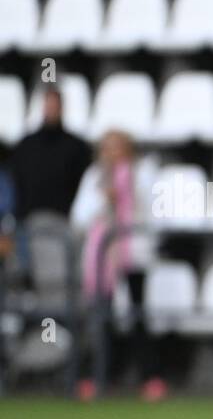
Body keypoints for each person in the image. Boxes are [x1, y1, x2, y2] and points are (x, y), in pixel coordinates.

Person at [70, 129, 164, 401]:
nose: (113, 154)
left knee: (137, 314)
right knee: (102, 317)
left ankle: (150, 376)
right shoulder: (93, 177)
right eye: (108, 148)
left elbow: (150, 210)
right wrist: (103, 199)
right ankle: (99, 376)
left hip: (132, 253)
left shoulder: (142, 175)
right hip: (102, 257)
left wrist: (127, 190)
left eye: (118, 147)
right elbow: (79, 217)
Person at [6, 88, 93, 286]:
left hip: (63, 221)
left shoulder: (77, 147)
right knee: (24, 277)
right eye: (48, 104)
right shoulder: (26, 145)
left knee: (57, 281)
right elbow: (16, 183)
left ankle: (56, 315)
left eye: (55, 105)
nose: (51, 109)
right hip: (28, 222)